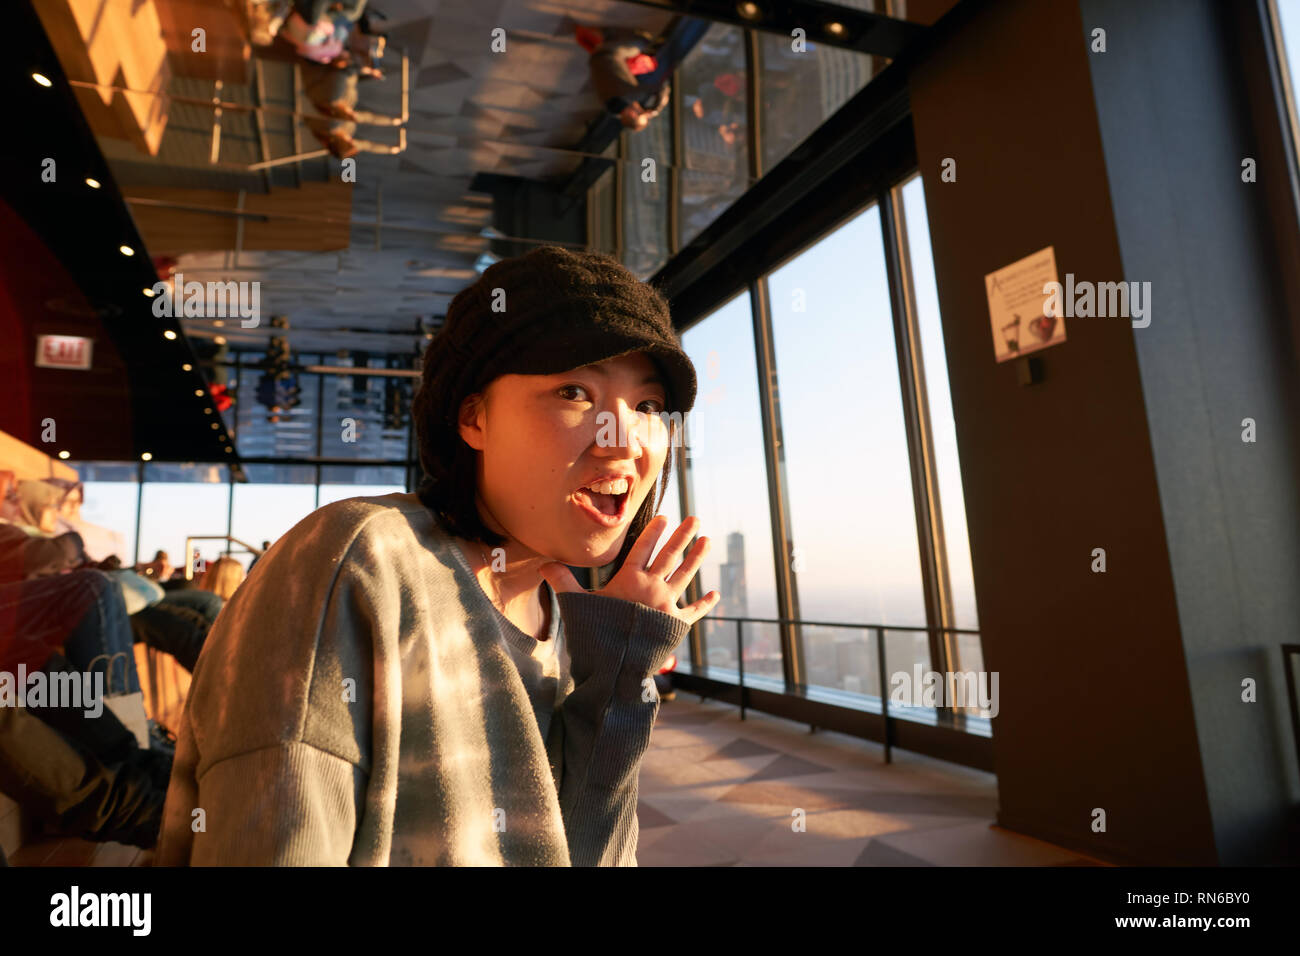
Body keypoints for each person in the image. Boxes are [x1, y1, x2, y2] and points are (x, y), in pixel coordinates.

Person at [156, 245, 719, 866]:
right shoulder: (362, 560)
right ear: (473, 417)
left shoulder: (558, 619)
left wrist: (617, 673)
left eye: (646, 406)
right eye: (574, 392)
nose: (624, 441)